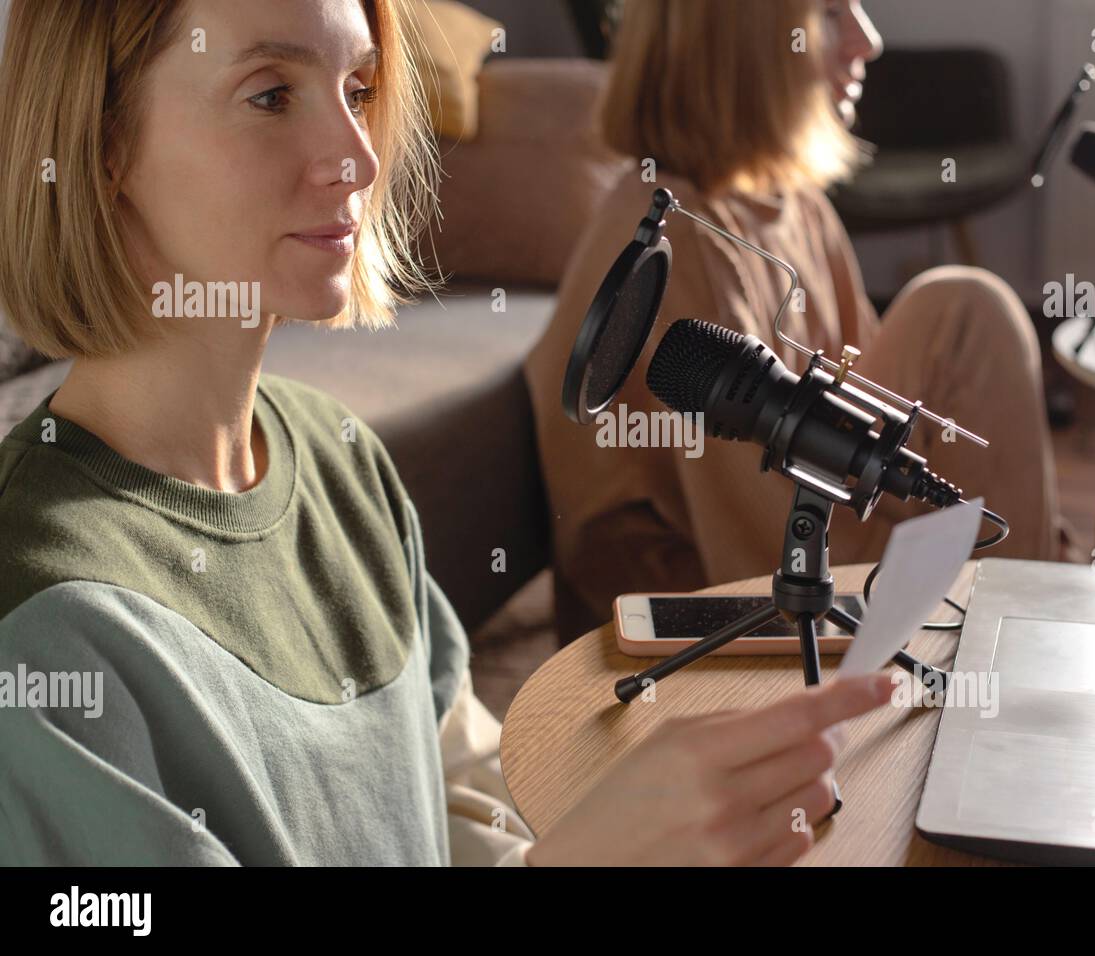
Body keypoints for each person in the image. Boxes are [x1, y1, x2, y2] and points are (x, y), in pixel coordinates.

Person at [0, 0, 894, 867]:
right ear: (104, 144)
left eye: (357, 90)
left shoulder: (336, 456)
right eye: (270, 94)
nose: (355, 158)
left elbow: (459, 802)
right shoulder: (47, 627)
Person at [526, 0, 1064, 641]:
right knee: (966, 311)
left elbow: (868, 422)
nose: (868, 42)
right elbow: (765, 558)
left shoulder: (794, 201)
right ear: (741, 42)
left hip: (808, 542)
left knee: (960, 313)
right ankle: (1031, 628)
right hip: (706, 620)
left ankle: (1034, 605)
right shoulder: (676, 244)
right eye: (831, 14)